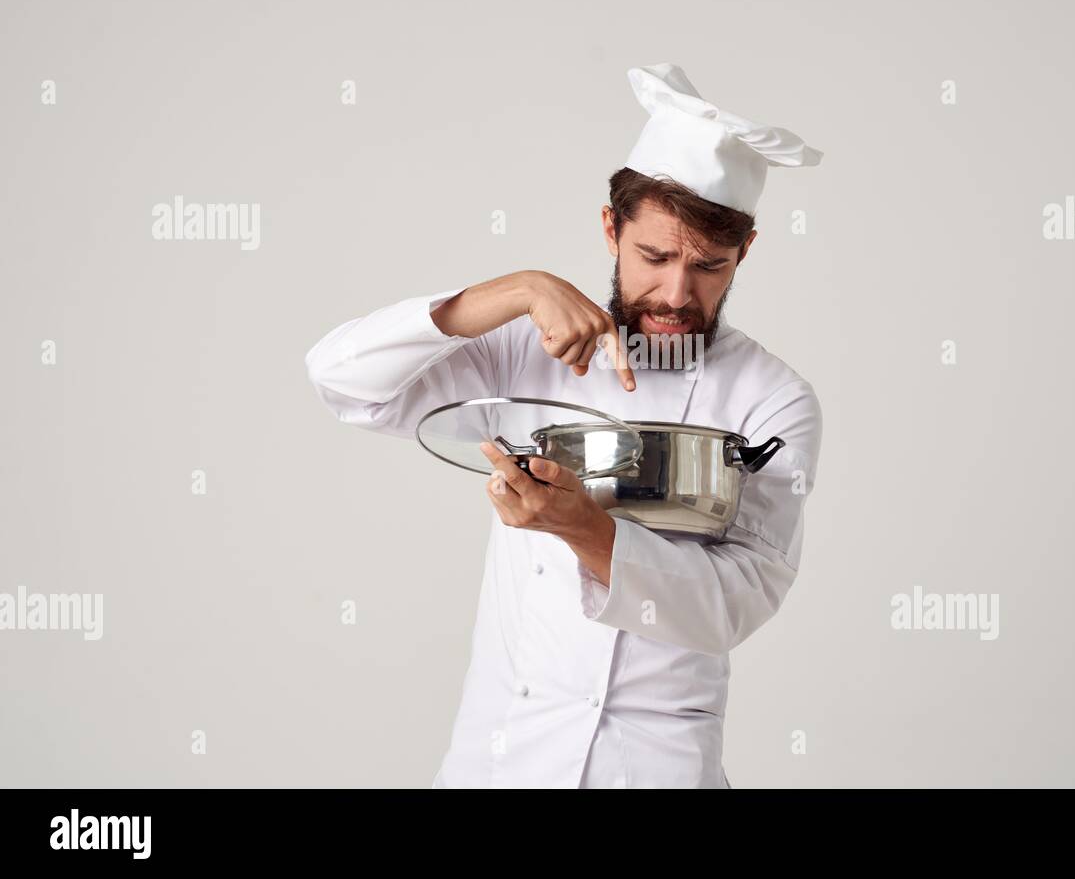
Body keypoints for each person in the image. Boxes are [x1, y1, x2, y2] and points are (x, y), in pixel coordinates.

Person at [304, 64, 824, 788]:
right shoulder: (526, 345)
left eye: (709, 266)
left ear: (746, 253)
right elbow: (341, 377)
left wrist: (587, 527)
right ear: (611, 229)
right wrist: (518, 289)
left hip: (658, 767)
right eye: (655, 256)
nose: (678, 293)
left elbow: (737, 600)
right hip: (503, 755)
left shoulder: (773, 397)